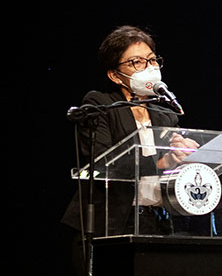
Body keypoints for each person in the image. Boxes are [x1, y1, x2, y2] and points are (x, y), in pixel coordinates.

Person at [61, 26, 191, 240]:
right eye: (136, 62)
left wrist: (183, 155)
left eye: (151, 60)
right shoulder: (99, 104)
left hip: (157, 222)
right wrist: (160, 162)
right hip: (110, 223)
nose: (149, 67)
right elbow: (102, 163)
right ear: (115, 75)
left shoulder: (165, 115)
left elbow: (173, 165)